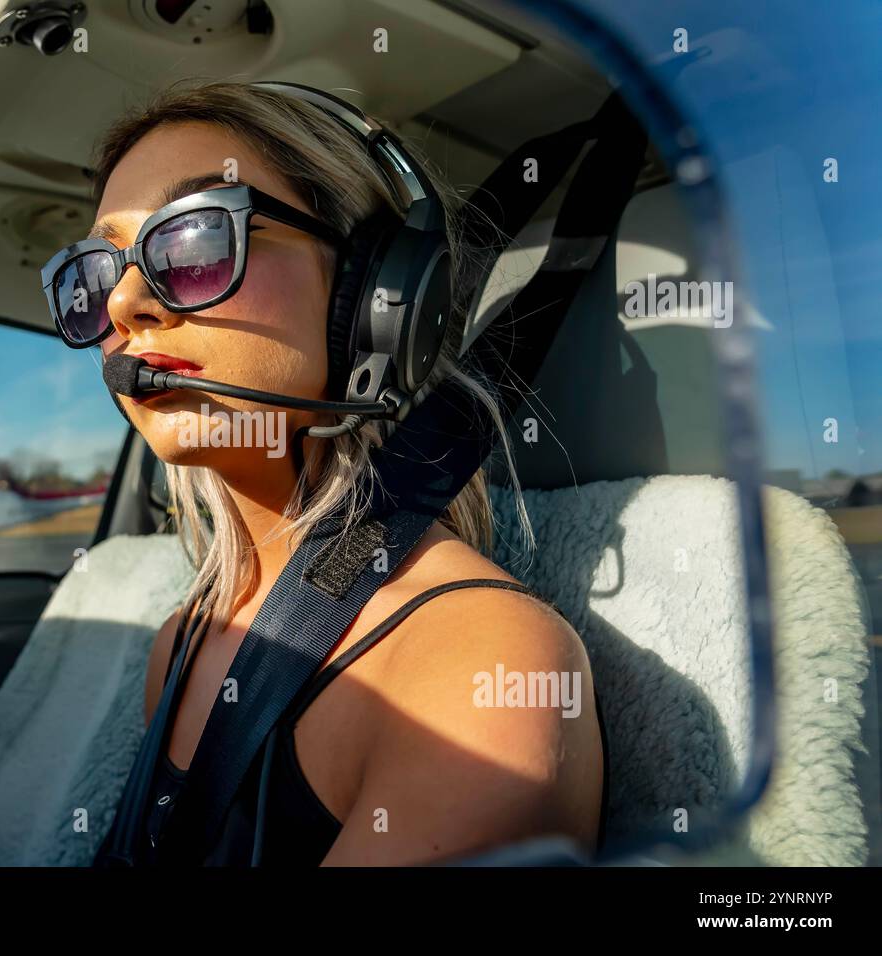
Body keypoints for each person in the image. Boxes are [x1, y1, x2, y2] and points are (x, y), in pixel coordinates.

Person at [42, 80, 607, 866]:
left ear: (378, 294)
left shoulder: (481, 669)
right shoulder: (184, 637)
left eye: (195, 240)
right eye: (97, 276)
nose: (128, 303)